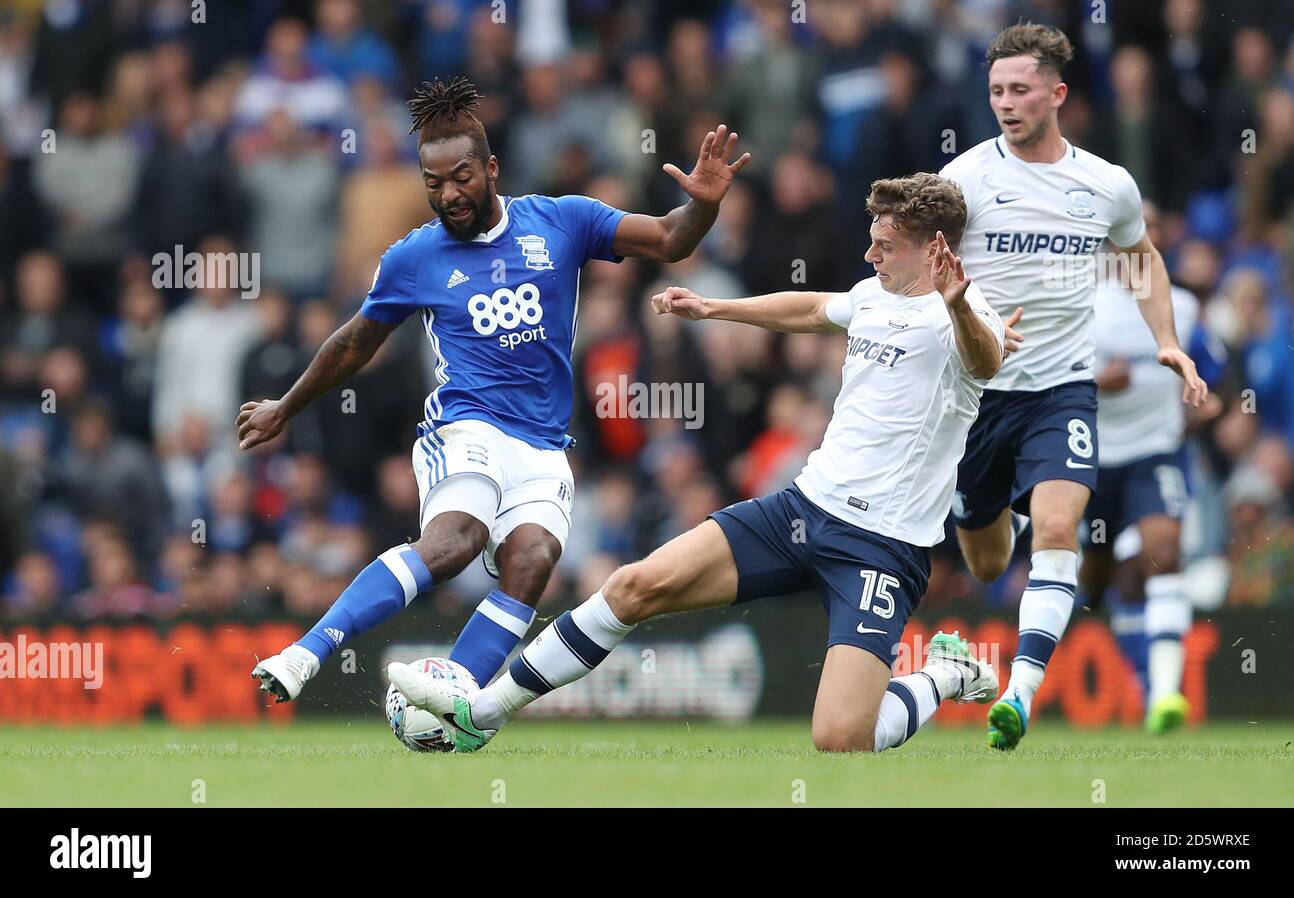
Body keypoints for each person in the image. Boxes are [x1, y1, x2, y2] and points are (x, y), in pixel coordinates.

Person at [389, 172, 1017, 754]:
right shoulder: (873, 296)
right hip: (803, 509)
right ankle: (482, 716)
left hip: (883, 544)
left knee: (841, 738)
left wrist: (959, 304)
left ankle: (942, 674)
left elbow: (985, 361)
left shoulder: (967, 311)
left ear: (932, 247)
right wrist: (718, 309)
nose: (869, 255)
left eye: (883, 244)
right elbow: (809, 308)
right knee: (633, 586)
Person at [238, 77, 751, 701]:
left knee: (532, 560)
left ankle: (455, 696)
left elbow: (672, 238)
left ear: (492, 167)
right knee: (457, 539)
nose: (448, 195)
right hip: (465, 425)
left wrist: (703, 203)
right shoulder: (413, 258)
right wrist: (285, 406)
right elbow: (354, 341)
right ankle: (305, 653)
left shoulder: (562, 221)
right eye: (433, 184)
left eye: (461, 177)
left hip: (543, 442)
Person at [937, 24, 1208, 750]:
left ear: (1057, 93)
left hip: (1061, 392)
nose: (1005, 103)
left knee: (1057, 530)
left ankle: (1019, 695)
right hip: (977, 398)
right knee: (988, 558)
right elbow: (917, 273)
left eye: (1020, 90)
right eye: (996, 91)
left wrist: (1168, 345)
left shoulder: (1106, 184)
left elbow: (1142, 259)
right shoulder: (964, 180)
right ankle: (1010, 504)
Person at [1080, 278, 1225, 734]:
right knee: (1100, 585)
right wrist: (1099, 384)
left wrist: (1207, 399)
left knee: (1163, 555)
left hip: (1156, 452)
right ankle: (1145, 678)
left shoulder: (1182, 306)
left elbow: (1218, 372)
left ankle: (1163, 693)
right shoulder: (1086, 306)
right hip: (1094, 458)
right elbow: (1051, 383)